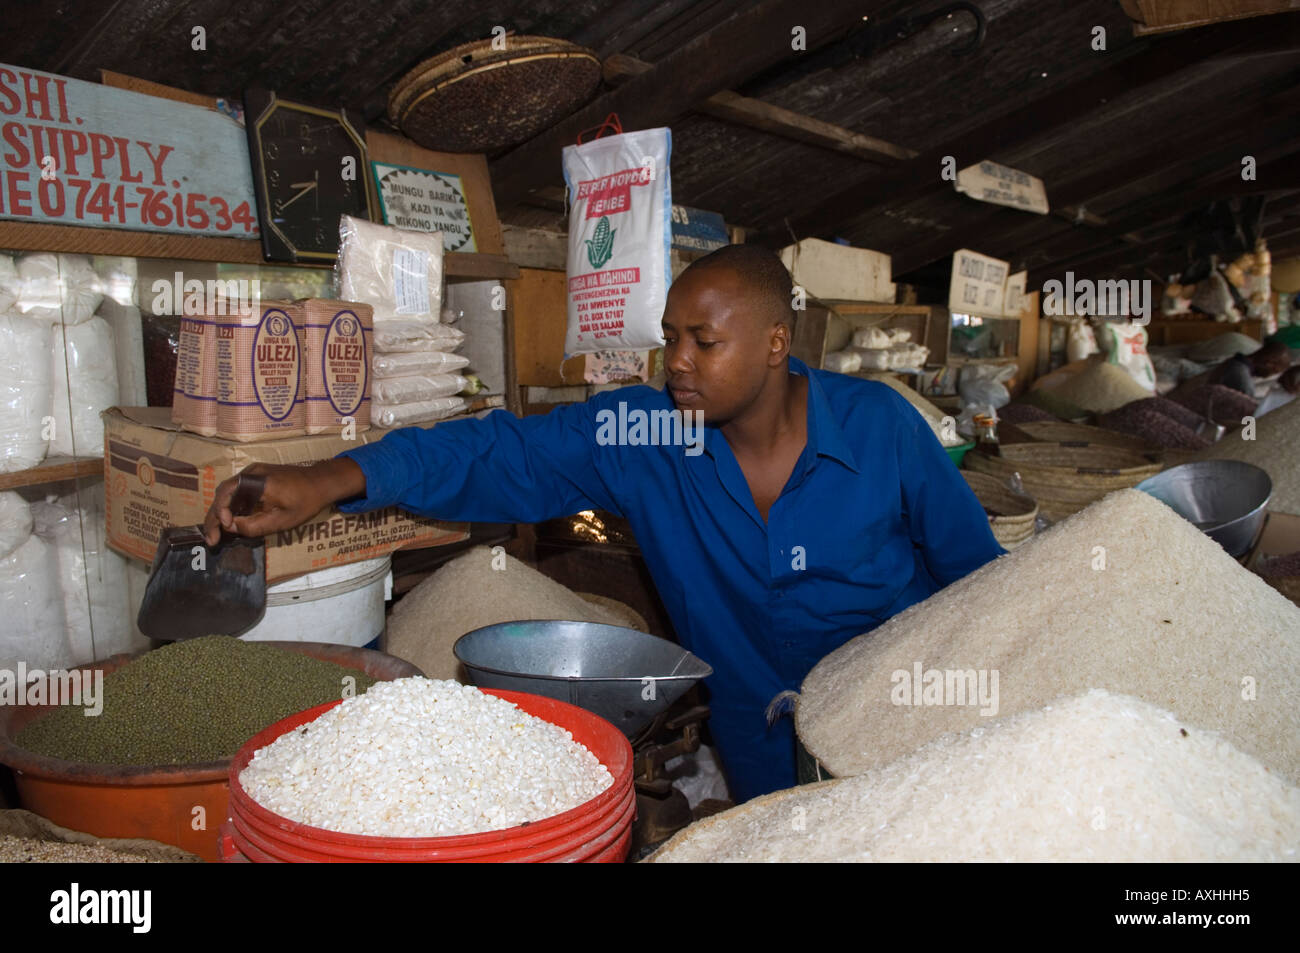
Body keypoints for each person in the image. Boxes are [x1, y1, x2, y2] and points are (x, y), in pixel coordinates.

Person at [203, 245, 1003, 800]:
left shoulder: (882, 430)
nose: (676, 361)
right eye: (669, 339)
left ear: (774, 343)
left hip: (900, 743)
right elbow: (500, 454)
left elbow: (982, 583)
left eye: (703, 340)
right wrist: (333, 476)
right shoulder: (647, 434)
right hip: (759, 757)